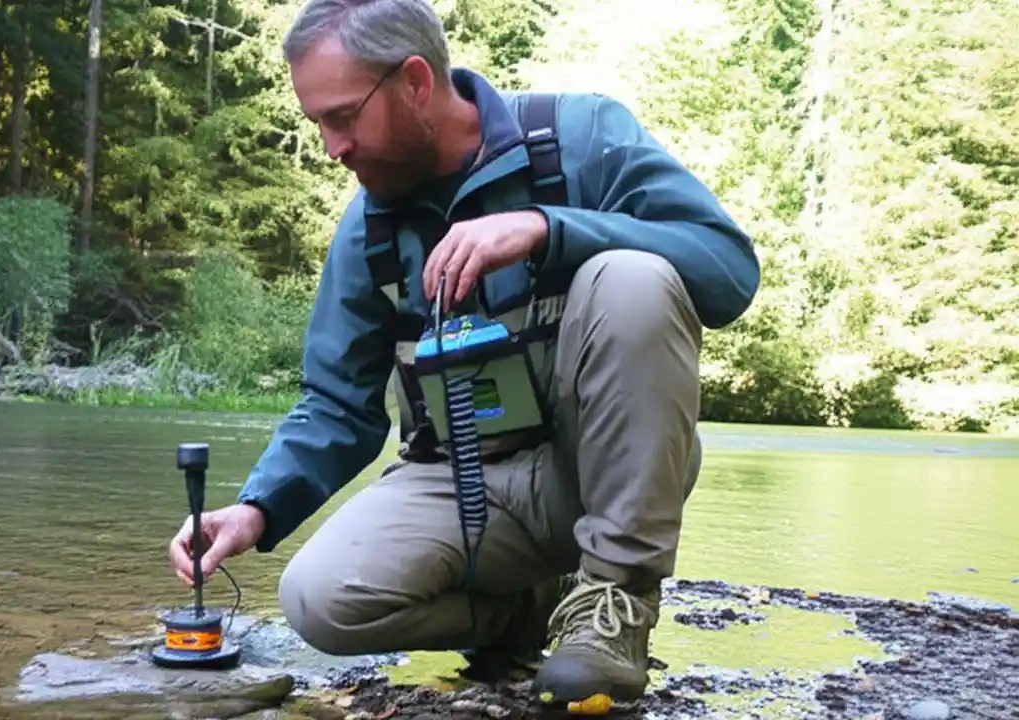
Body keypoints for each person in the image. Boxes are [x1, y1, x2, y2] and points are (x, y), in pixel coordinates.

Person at [168, 0, 760, 706]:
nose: (331, 147)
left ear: (415, 82)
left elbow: (727, 270)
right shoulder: (367, 231)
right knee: (318, 598)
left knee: (633, 276)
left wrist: (549, 229)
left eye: (342, 117)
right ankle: (529, 613)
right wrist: (255, 509)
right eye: (317, 123)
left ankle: (615, 605)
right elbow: (336, 405)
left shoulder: (582, 136)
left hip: (596, 474)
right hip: (462, 488)